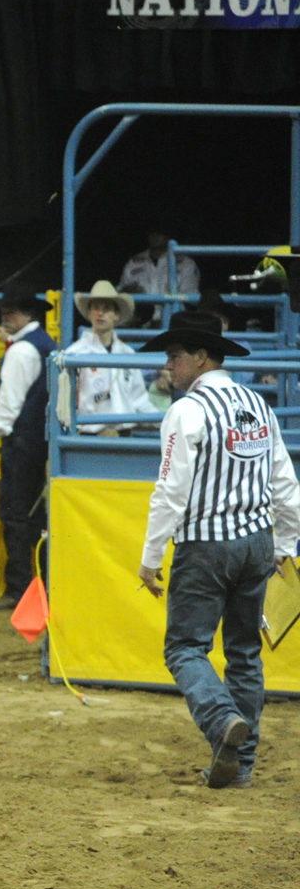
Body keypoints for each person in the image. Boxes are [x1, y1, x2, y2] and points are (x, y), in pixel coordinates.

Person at [137, 311, 300, 788]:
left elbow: (170, 491)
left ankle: (220, 720)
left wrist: (150, 559)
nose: (168, 365)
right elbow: (286, 484)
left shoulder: (186, 411)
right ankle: (240, 765)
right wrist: (285, 545)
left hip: (207, 545)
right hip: (256, 543)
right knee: (245, 653)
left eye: (175, 356)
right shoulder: (257, 403)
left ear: (200, 357)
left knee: (186, 647)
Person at [0, 289, 55, 610]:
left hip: (22, 441)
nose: (7, 315)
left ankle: (19, 589)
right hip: (42, 440)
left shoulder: (21, 351)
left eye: (13, 310)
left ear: (27, 315)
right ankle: (42, 587)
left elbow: (9, 404)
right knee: (35, 516)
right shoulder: (45, 345)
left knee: (16, 514)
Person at [63, 280, 160, 436]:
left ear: (116, 315)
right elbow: (66, 402)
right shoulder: (74, 354)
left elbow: (139, 399)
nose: (100, 313)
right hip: (89, 435)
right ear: (89, 313)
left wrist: (164, 421)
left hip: (123, 434)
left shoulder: (128, 353)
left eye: (106, 309)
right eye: (95, 308)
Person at [118, 229, 200, 318]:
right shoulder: (134, 262)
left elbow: (191, 298)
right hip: (139, 321)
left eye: (160, 232)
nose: (155, 235)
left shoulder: (185, 263)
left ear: (169, 236)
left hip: (172, 320)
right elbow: (122, 294)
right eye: (152, 232)